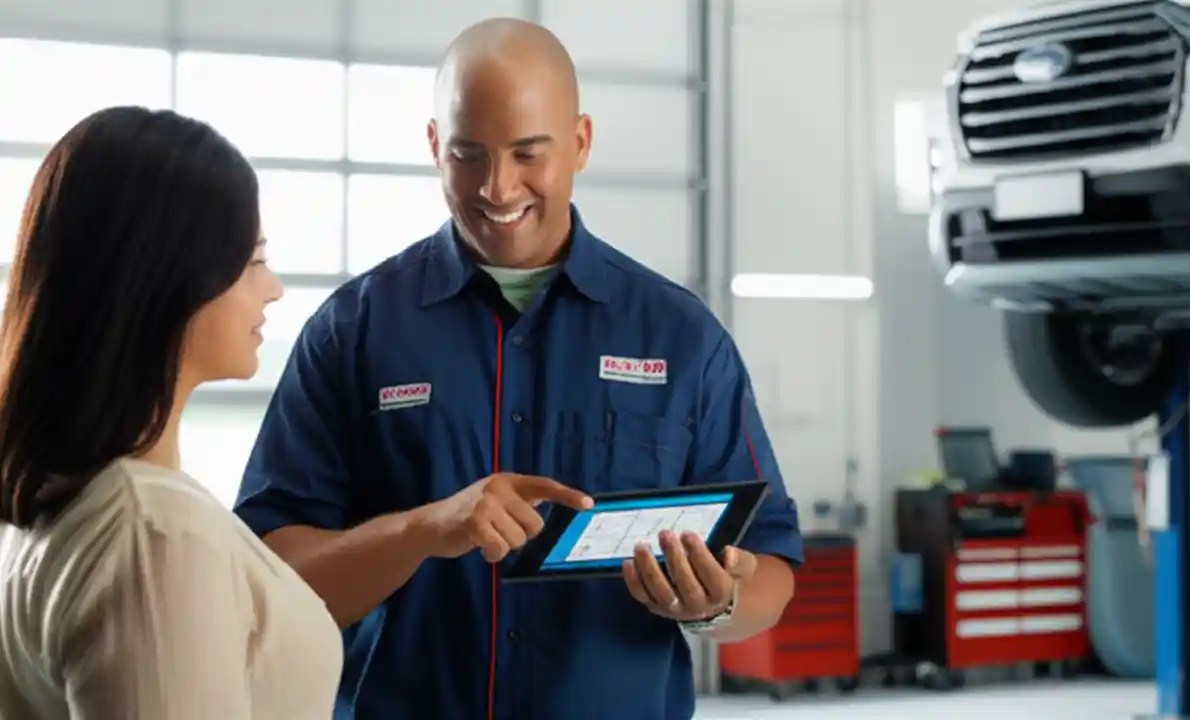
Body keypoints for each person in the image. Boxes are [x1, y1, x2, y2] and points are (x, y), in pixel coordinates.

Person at [233, 17, 804, 720]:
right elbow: (269, 575)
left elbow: (770, 568)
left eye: (528, 154)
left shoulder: (683, 338)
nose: (497, 188)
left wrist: (716, 602)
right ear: (435, 145)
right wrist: (422, 531)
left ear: (581, 142)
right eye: (469, 155)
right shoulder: (354, 332)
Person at [0, 106, 342, 719]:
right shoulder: (152, 533)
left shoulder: (75, 506)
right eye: (252, 260)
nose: (273, 288)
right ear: (171, 277)